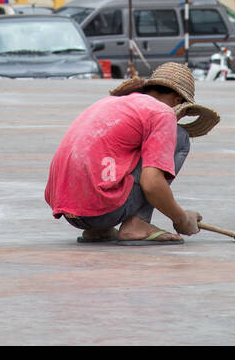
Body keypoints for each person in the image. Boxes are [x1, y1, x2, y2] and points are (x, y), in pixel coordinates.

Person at [45, 62, 219, 245]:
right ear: (177, 102)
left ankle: (98, 231)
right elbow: (152, 184)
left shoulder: (113, 102)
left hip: (69, 210)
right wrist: (182, 219)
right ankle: (137, 225)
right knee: (180, 137)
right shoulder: (162, 113)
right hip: (101, 211)